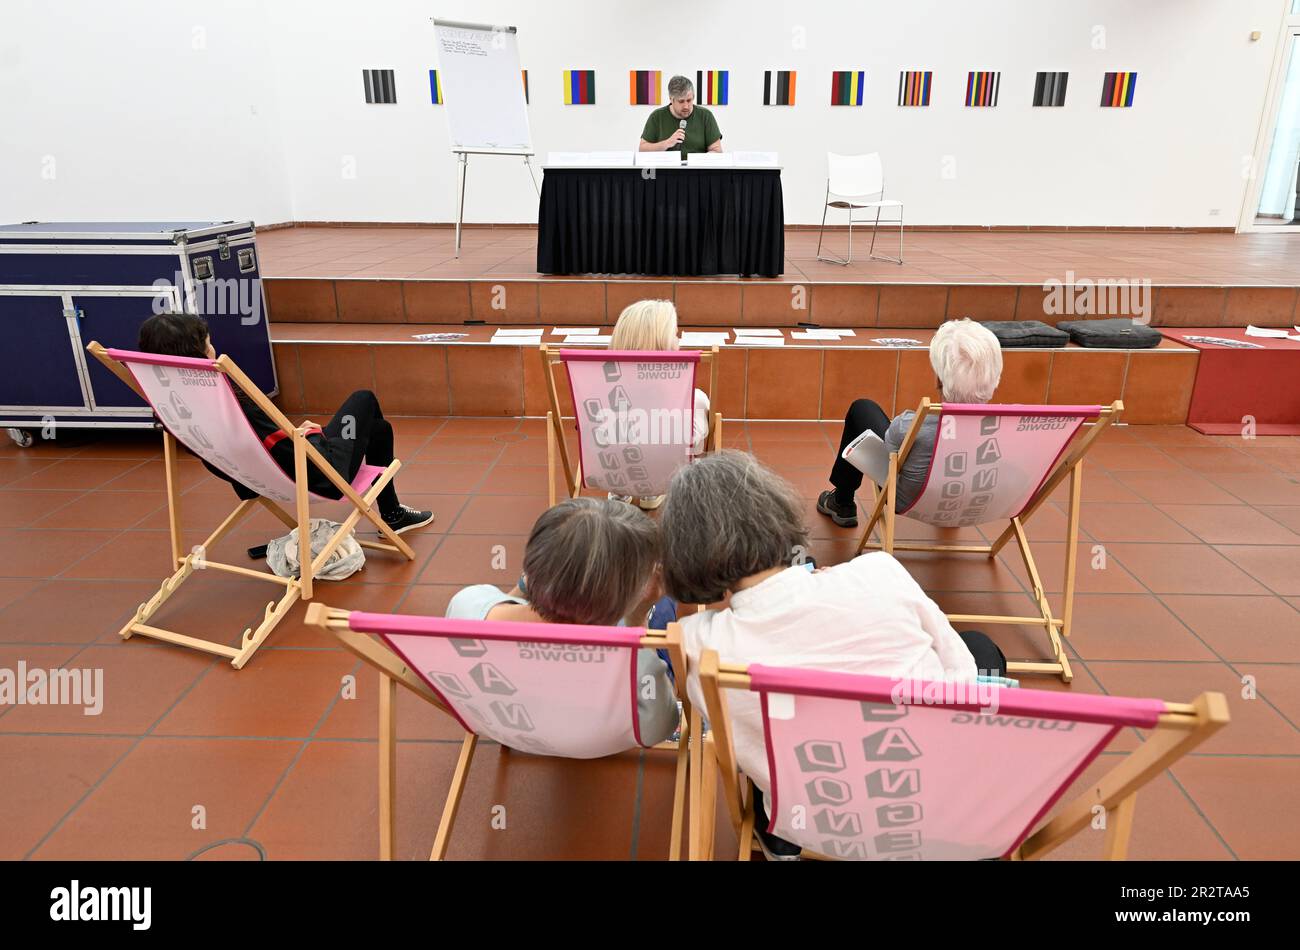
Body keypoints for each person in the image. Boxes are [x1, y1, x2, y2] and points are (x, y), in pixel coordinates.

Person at [661, 450, 1005, 860]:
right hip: (925, 802)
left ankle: (777, 835)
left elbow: (733, 741)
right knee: (979, 649)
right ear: (775, 511)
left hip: (813, 819)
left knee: (761, 723)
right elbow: (962, 677)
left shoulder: (699, 646)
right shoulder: (880, 572)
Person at [136, 312, 433, 534]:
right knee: (364, 399)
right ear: (197, 352)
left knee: (379, 430)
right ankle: (391, 515)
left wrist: (296, 436)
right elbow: (283, 447)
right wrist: (308, 436)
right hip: (320, 475)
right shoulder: (230, 399)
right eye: (208, 344)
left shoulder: (173, 404)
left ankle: (392, 512)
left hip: (254, 480)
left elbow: (261, 444)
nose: (212, 349)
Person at [447, 497, 679, 746]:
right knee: (666, 608)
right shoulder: (638, 667)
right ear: (618, 603)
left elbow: (505, 598)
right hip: (590, 742)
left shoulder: (466, 606)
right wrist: (637, 618)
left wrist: (539, 583)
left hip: (507, 725)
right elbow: (658, 728)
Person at [818, 318, 1004, 528]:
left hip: (908, 500)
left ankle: (842, 501)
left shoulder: (910, 425)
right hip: (978, 500)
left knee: (862, 408)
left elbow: (885, 458)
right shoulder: (1007, 428)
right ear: (995, 377)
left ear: (939, 380)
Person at [608, 299, 711, 509]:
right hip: (665, 474)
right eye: (675, 334)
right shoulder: (692, 400)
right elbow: (693, 442)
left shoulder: (603, 396)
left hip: (616, 472)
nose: (679, 340)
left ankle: (620, 491)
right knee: (696, 418)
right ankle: (650, 490)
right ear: (664, 344)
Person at [638, 75, 722, 155]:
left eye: (689, 100)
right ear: (671, 99)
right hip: (666, 169)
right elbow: (642, 149)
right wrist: (666, 143)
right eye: (681, 101)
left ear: (693, 97)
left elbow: (717, 150)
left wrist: (696, 161)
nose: (686, 106)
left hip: (697, 169)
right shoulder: (656, 116)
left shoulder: (705, 116)